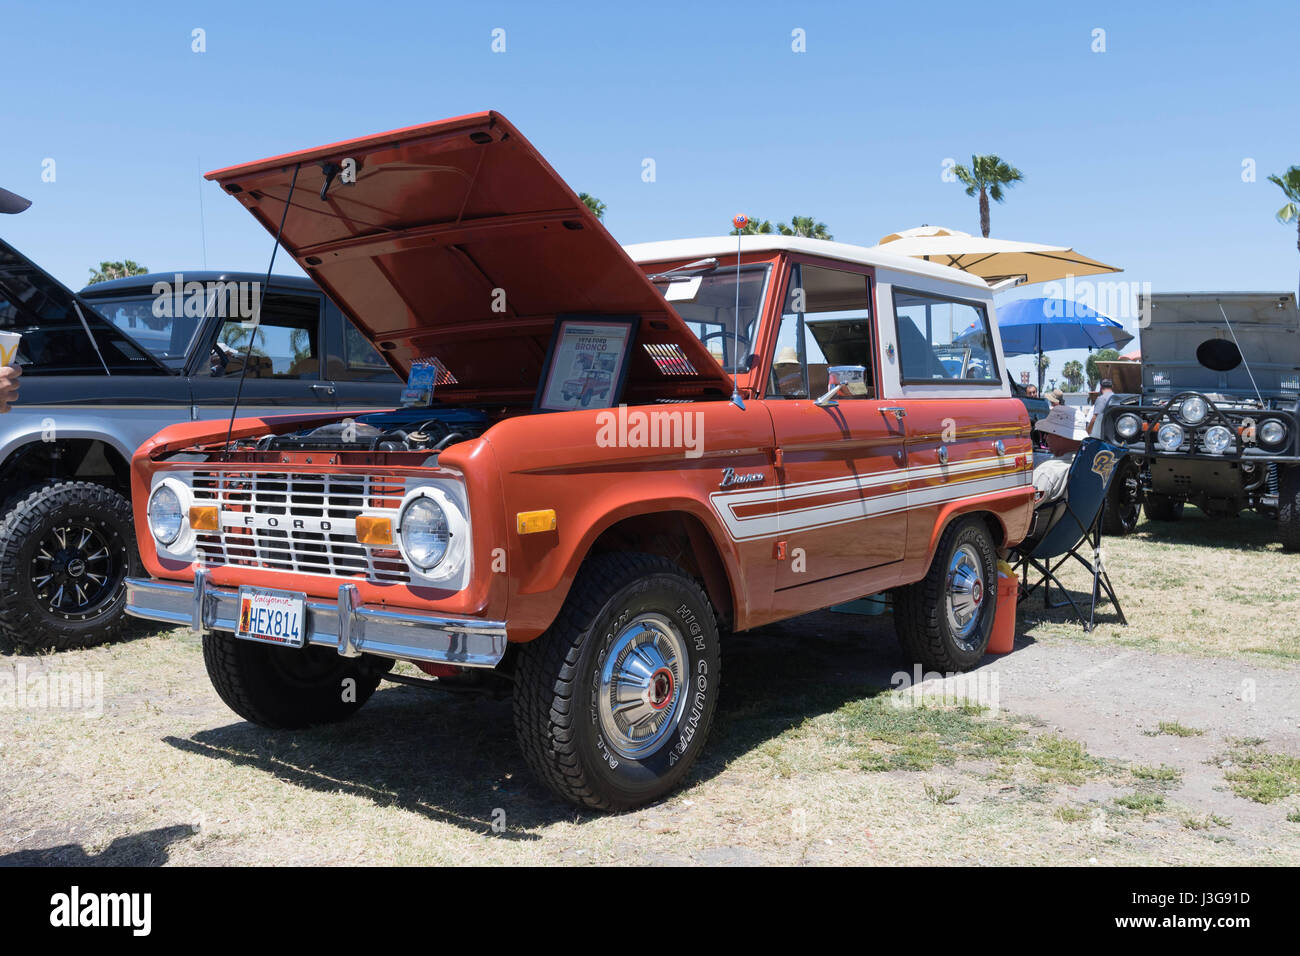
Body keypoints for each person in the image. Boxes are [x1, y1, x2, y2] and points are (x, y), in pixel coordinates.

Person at [1032, 403, 1087, 505]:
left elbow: (1021, 510)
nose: (1045, 438)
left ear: (1060, 435)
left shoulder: (1047, 472)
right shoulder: (1087, 467)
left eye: (1047, 433)